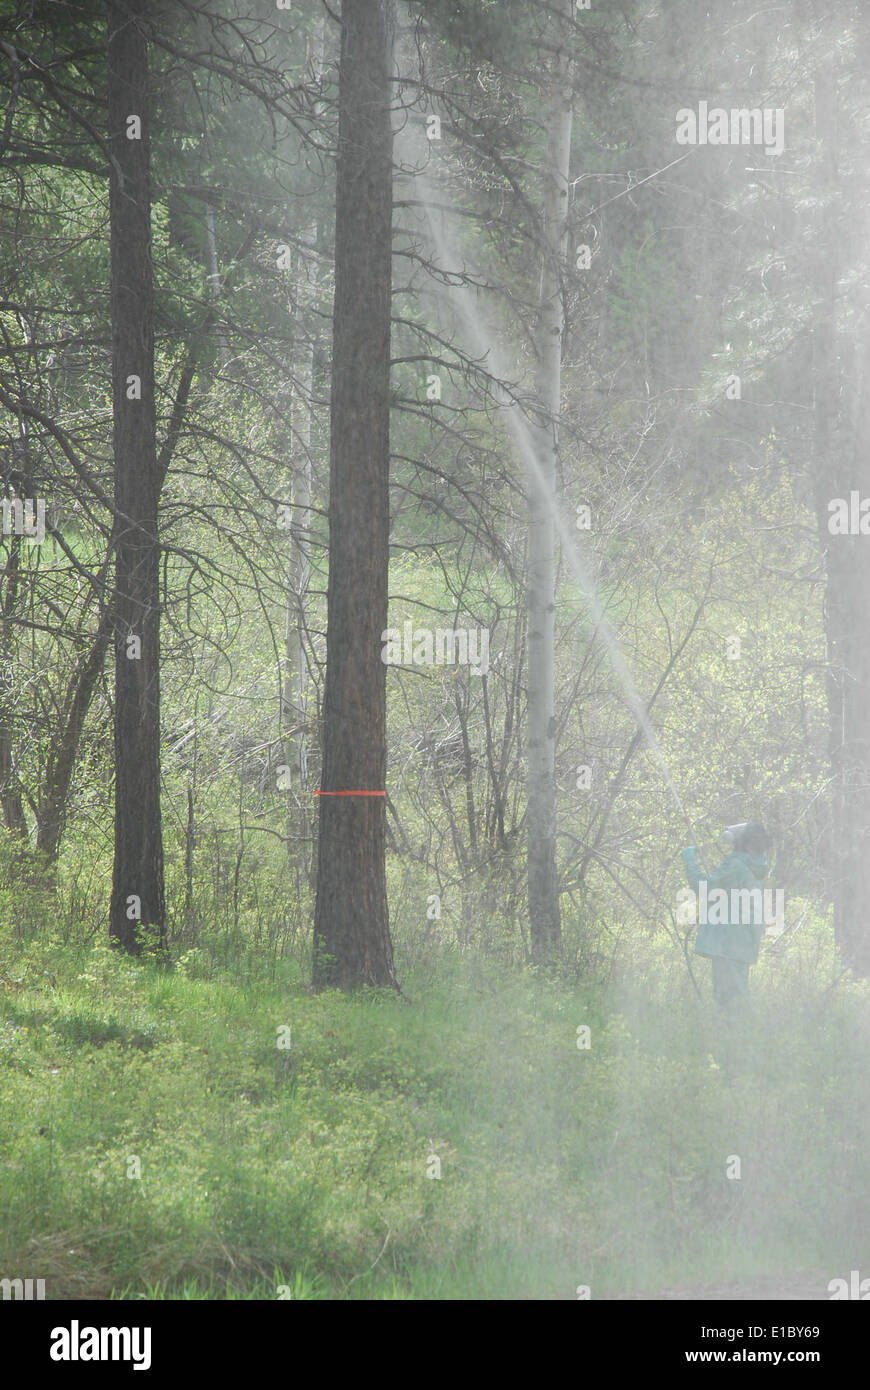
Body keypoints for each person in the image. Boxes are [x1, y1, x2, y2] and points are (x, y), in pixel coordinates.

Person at [681, 822, 770, 1011]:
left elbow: (703, 887)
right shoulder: (757, 866)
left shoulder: (737, 865)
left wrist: (689, 859)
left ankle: (749, 1035)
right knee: (735, 996)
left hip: (728, 943)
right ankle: (740, 1036)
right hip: (745, 941)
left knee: (729, 1000)